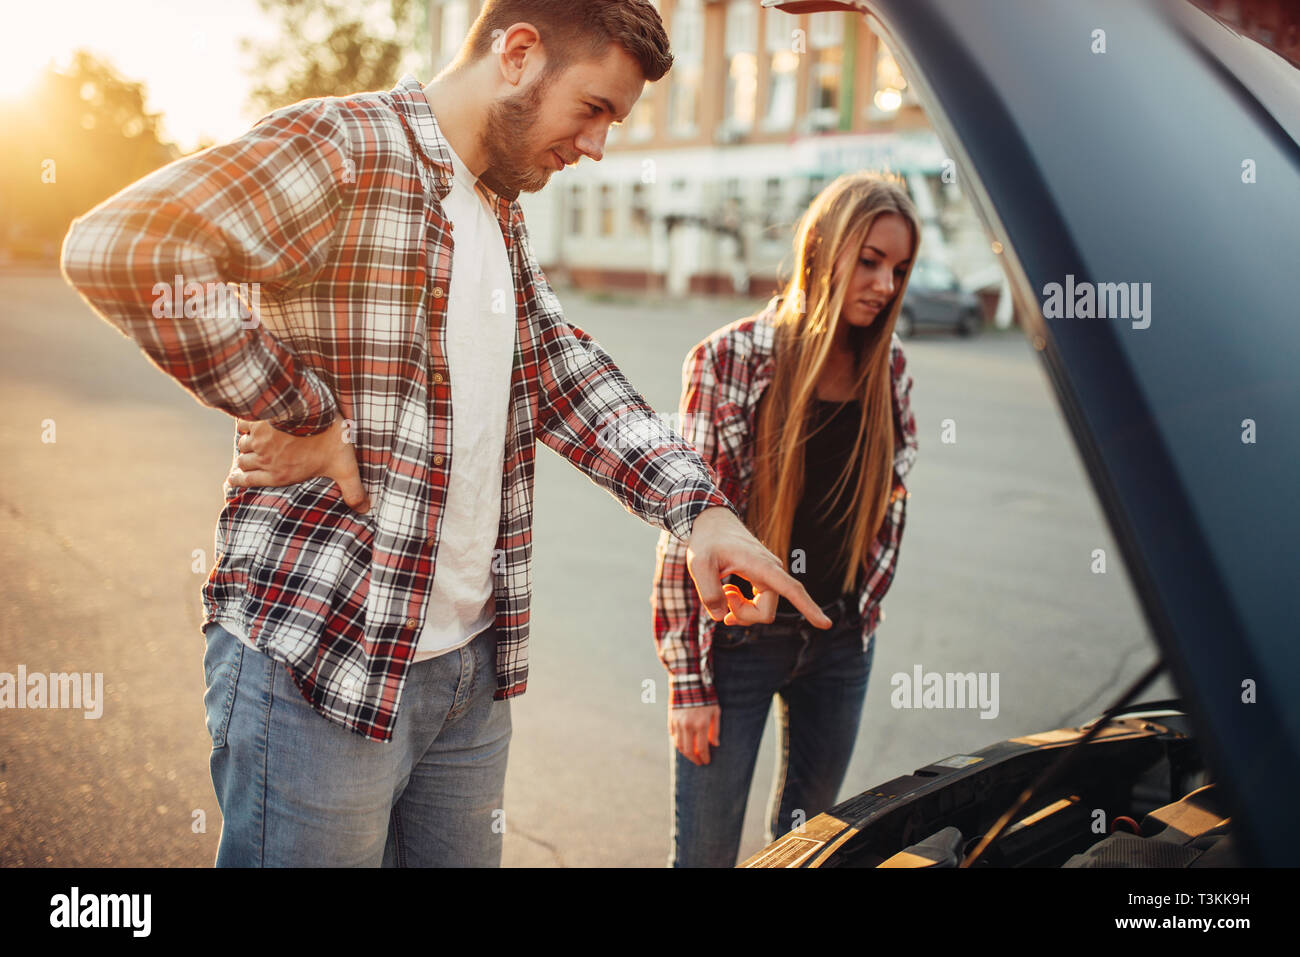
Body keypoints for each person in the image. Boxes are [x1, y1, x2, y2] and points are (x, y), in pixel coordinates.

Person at [59, 0, 830, 868]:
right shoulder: (347, 146)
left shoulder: (497, 208)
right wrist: (298, 410)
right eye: (594, 109)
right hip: (323, 664)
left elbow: (561, 374)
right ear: (519, 56)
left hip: (468, 675)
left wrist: (702, 512)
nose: (597, 145)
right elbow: (125, 247)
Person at [651, 171, 921, 867]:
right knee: (706, 853)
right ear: (822, 247)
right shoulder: (729, 357)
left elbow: (888, 505)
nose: (885, 285)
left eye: (898, 268)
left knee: (808, 853)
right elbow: (690, 524)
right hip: (741, 646)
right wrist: (688, 683)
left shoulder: (889, 370)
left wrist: (863, 611)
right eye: (869, 260)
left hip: (839, 641)